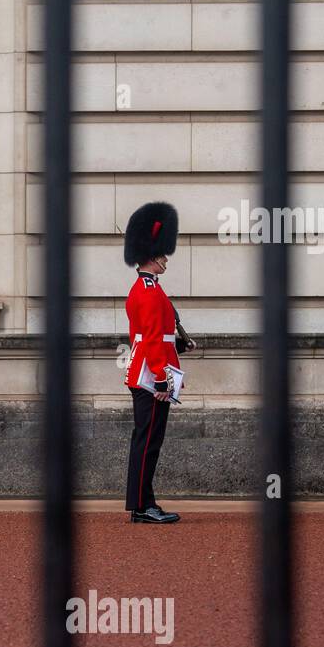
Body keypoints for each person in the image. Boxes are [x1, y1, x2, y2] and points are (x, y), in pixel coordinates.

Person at [123, 202, 196, 524]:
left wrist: (179, 345)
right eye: (163, 255)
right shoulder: (150, 292)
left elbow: (153, 336)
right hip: (150, 375)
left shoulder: (145, 289)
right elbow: (151, 339)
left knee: (148, 441)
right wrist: (162, 378)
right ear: (152, 256)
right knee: (148, 442)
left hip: (149, 368)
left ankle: (143, 502)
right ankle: (142, 506)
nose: (166, 259)